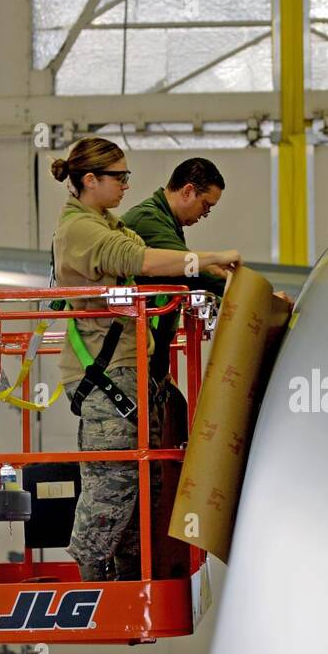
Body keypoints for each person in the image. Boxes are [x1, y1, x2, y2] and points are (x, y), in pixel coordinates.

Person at [49, 137, 240, 582]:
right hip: (107, 375)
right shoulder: (81, 229)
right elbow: (137, 258)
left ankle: (132, 576)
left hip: (130, 372)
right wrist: (210, 259)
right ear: (90, 179)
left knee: (143, 482)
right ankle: (93, 579)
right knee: (113, 483)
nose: (127, 186)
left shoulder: (109, 222)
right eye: (120, 177)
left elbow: (146, 255)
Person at [122, 157, 231, 384]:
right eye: (206, 205)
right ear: (188, 191)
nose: (205, 214)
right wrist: (246, 293)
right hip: (133, 358)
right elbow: (191, 271)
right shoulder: (148, 220)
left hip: (151, 357)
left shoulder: (166, 222)